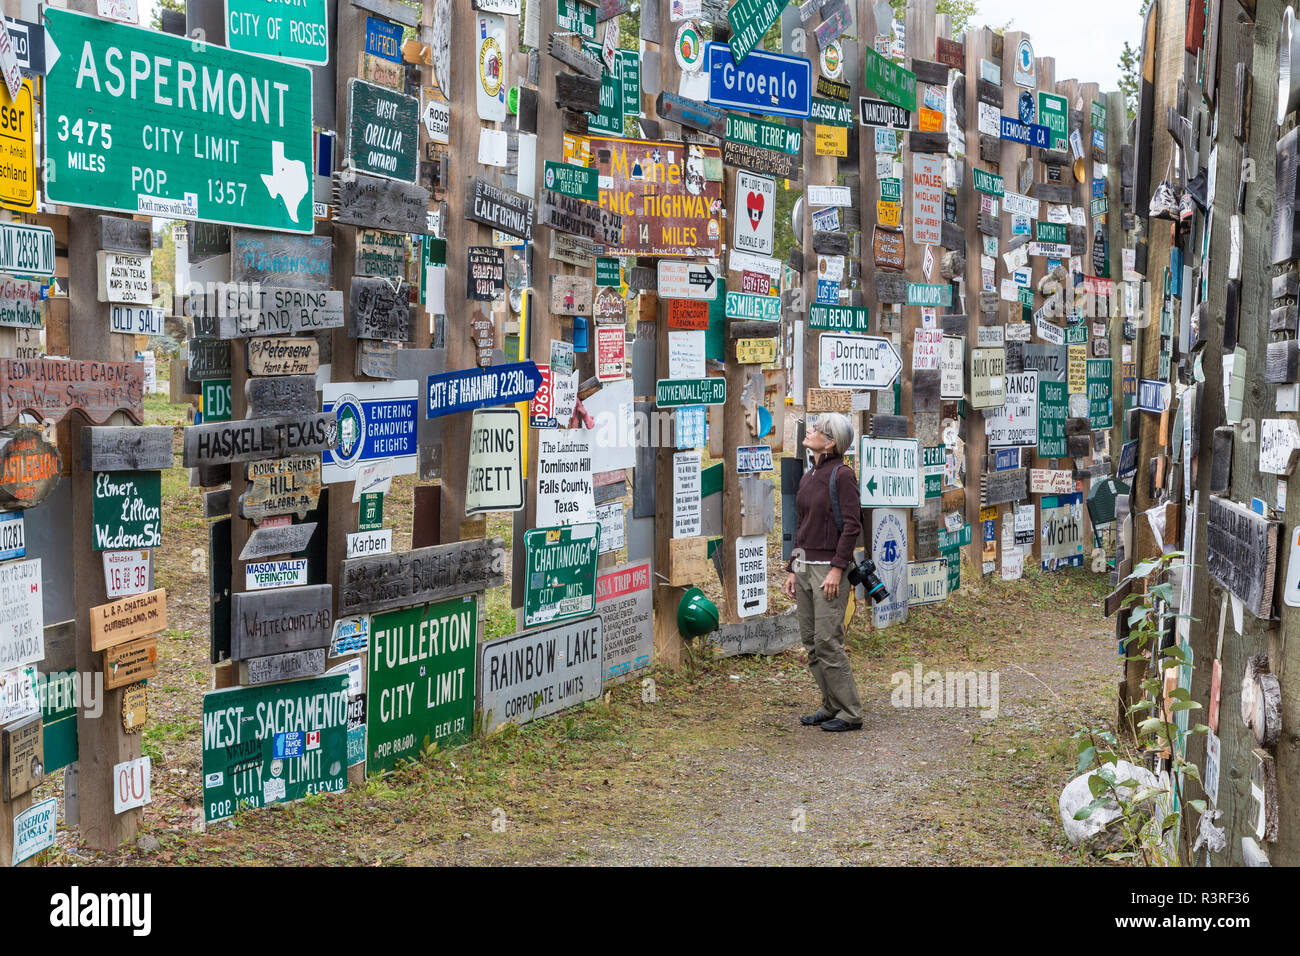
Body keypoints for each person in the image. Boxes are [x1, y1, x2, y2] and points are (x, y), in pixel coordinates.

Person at [783, 412, 865, 732]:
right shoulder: (809, 474)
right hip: (805, 569)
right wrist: (793, 568)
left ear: (830, 442)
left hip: (829, 572)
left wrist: (836, 569)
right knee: (811, 641)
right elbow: (802, 526)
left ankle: (850, 711)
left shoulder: (842, 475)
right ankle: (830, 704)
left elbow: (853, 525)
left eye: (818, 429)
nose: (811, 430)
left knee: (828, 640)